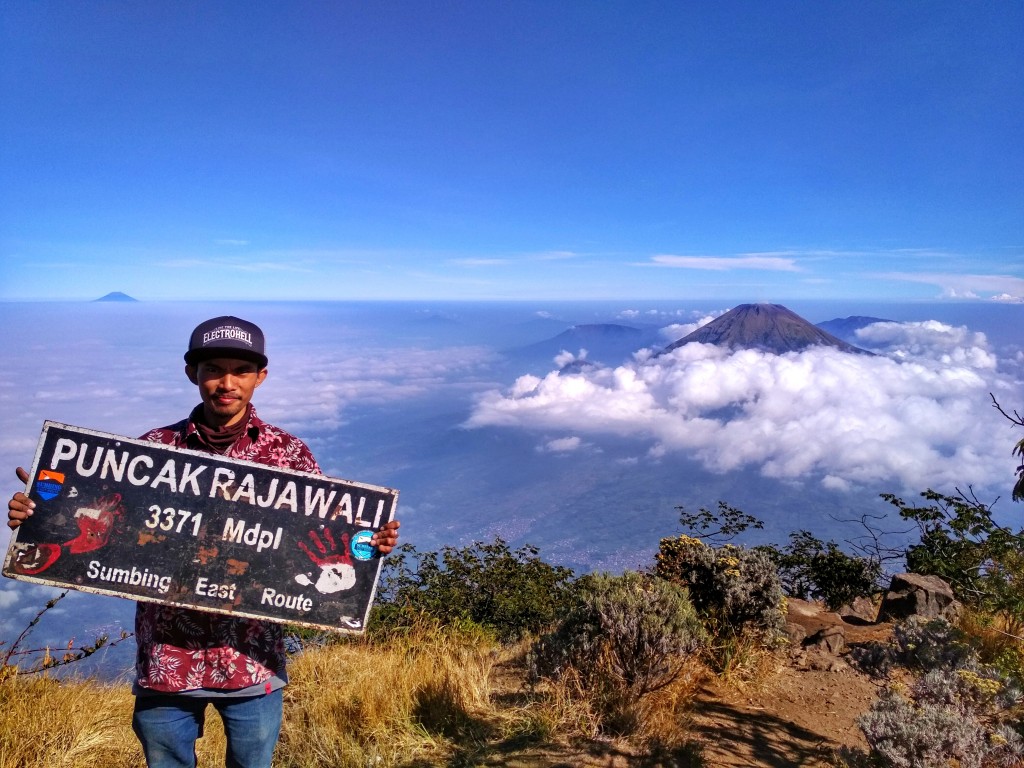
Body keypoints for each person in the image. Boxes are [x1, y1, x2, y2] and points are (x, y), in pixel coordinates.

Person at [7, 315, 400, 768]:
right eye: (213, 368)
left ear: (260, 378)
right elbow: (106, 519)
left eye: (241, 371)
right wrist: (39, 516)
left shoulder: (287, 453)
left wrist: (370, 544)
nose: (226, 382)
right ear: (192, 373)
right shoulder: (154, 449)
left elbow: (325, 532)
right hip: (166, 661)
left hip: (253, 661)